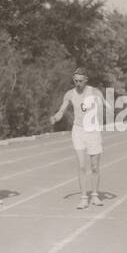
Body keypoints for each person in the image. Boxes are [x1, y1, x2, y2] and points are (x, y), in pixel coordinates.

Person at [50, 69, 106, 210]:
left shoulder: (94, 92)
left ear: (86, 80)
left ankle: (94, 195)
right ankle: (83, 198)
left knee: (94, 166)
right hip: (78, 131)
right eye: (75, 81)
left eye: (81, 81)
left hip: (93, 131)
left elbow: (105, 105)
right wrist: (56, 117)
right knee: (81, 165)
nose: (78, 83)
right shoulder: (70, 94)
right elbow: (62, 109)